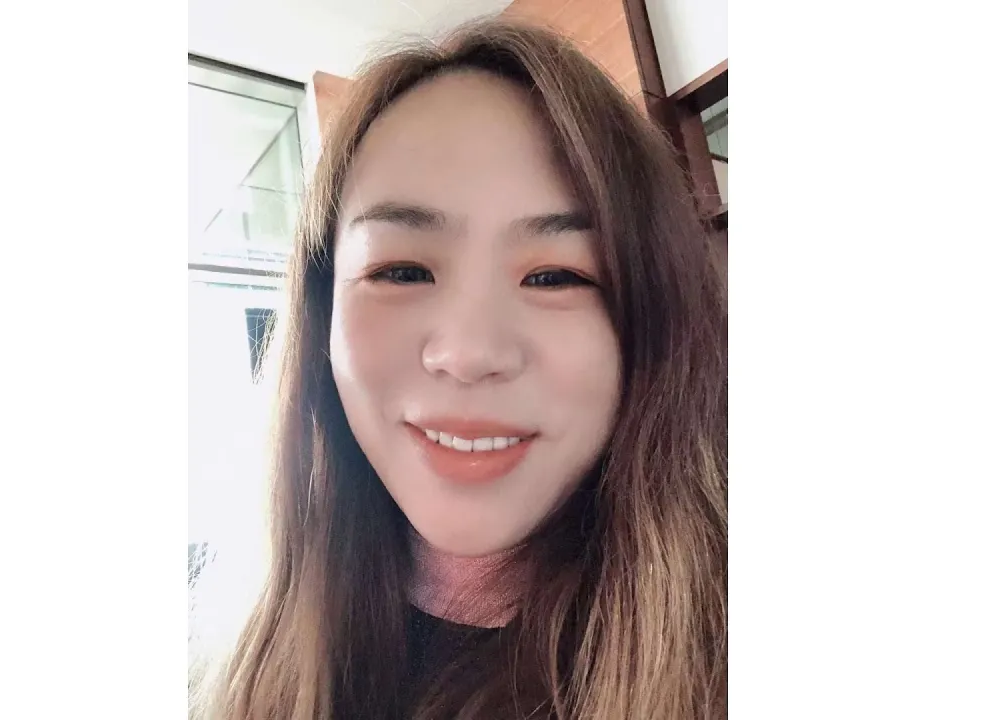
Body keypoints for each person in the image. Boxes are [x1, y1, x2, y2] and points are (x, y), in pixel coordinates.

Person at [192, 18, 727, 720]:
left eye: (556, 277)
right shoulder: (229, 650)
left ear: (653, 319)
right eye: (403, 271)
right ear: (322, 315)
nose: (469, 353)